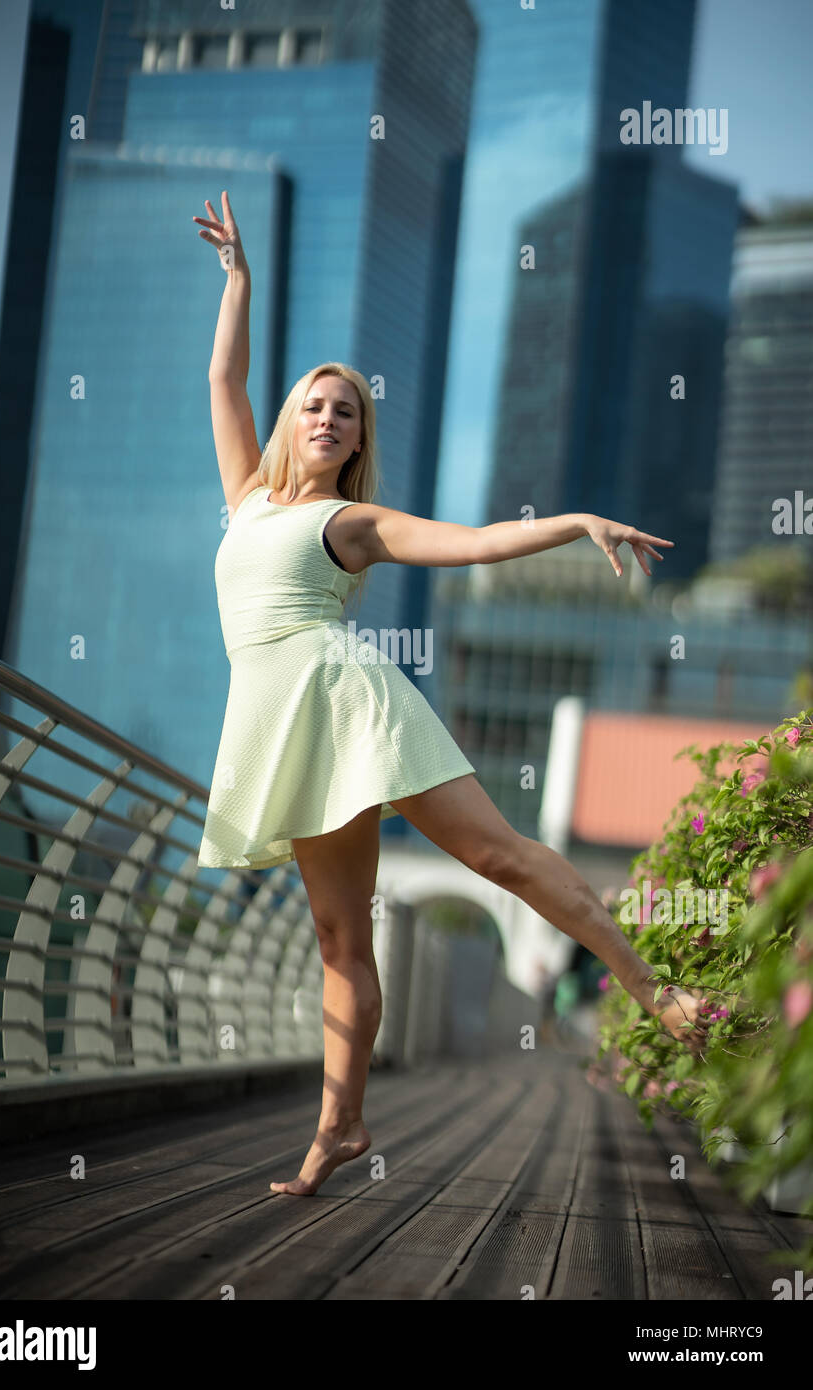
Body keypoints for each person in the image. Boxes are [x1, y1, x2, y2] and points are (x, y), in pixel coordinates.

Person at [192, 192, 713, 1197]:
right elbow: (223, 376)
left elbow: (475, 543)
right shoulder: (248, 499)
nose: (328, 417)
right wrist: (240, 281)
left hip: (348, 706)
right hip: (281, 725)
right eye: (315, 402)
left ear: (354, 439)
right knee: (340, 938)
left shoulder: (351, 521)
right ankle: (339, 1128)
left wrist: (572, 521)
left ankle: (656, 991)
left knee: (498, 856)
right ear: (292, 417)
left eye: (347, 411)